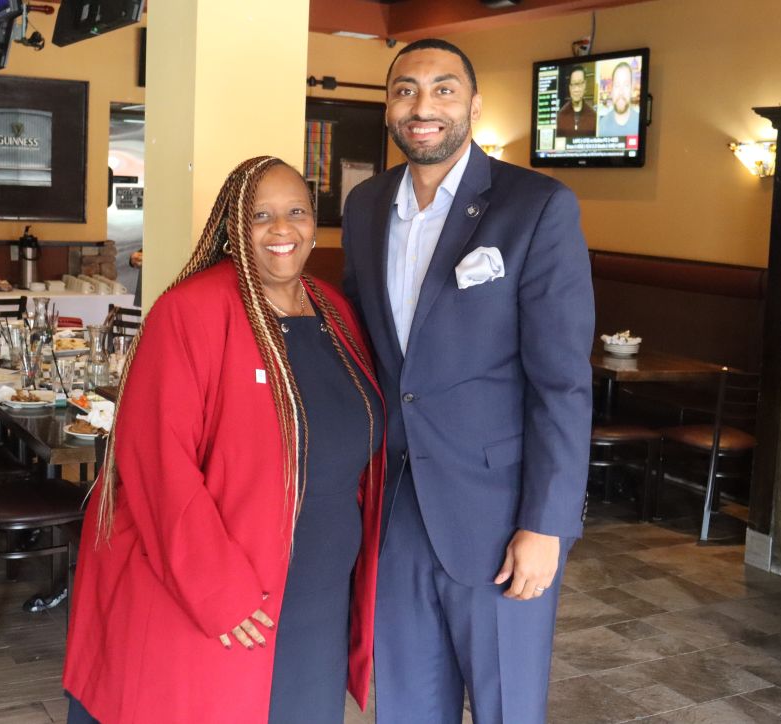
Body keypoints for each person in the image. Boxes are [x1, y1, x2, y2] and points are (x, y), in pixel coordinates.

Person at [63, 157, 386, 723]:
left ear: (315, 223)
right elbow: (157, 464)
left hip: (320, 586)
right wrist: (219, 591)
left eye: (296, 213)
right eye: (261, 215)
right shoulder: (192, 310)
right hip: (221, 591)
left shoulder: (335, 311)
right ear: (233, 226)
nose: (281, 229)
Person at [341, 39, 594, 723]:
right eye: (405, 90)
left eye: (443, 89)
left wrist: (546, 524)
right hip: (393, 505)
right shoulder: (364, 205)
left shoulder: (536, 205)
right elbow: (360, 353)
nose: (423, 106)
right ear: (389, 106)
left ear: (475, 105)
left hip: (497, 515)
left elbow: (562, 382)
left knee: (506, 704)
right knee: (404, 701)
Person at [598, 60, 639, 138]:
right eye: (617, 85)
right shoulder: (602, 125)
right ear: (612, 90)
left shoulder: (639, 123)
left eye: (626, 85)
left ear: (631, 90)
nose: (621, 92)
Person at [555, 66, 596, 138]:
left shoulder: (593, 116)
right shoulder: (560, 116)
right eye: (573, 84)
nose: (576, 89)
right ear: (569, 87)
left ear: (585, 85)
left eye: (580, 83)